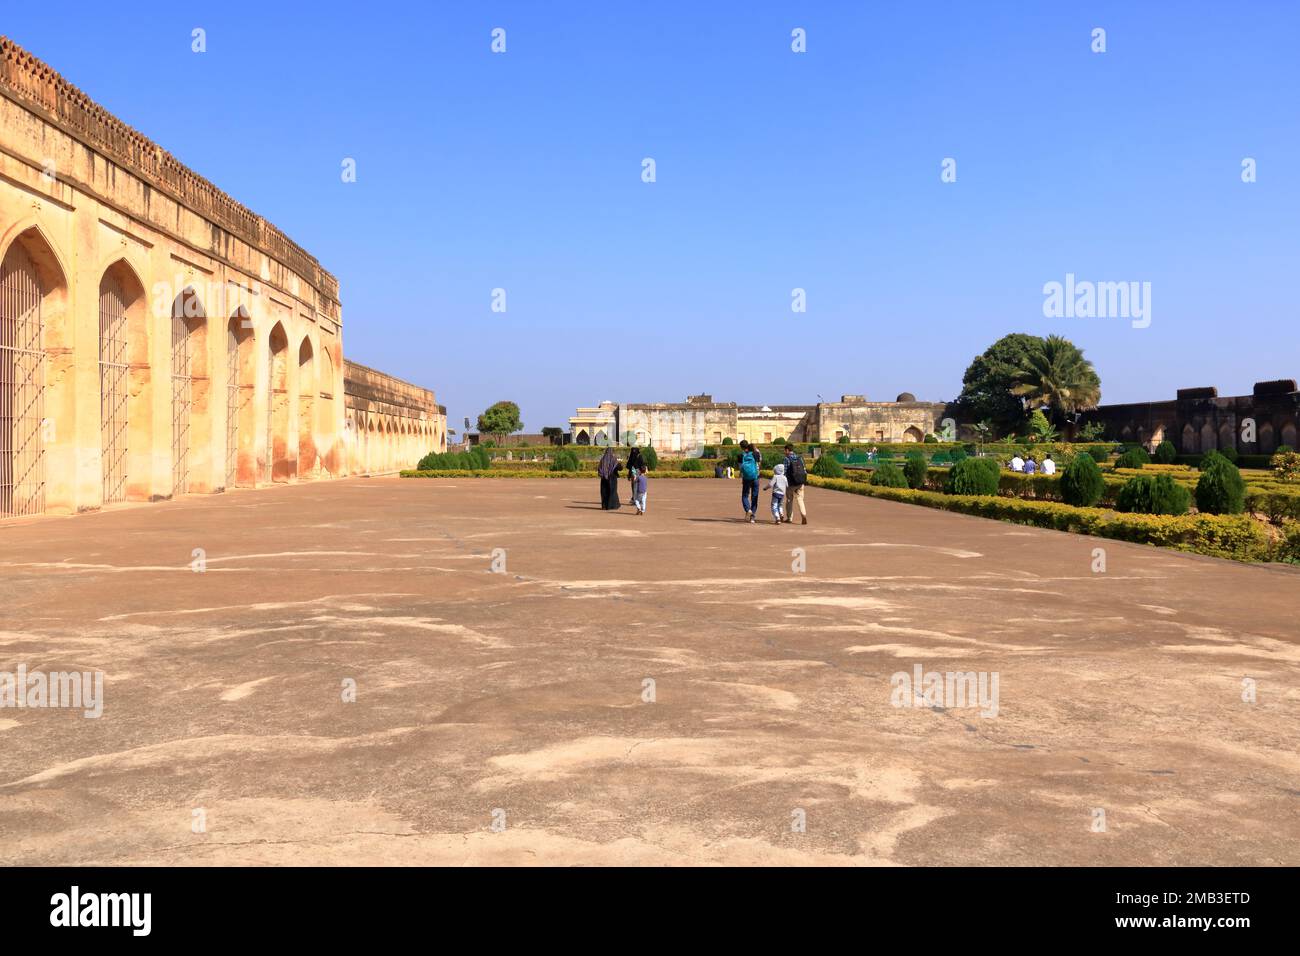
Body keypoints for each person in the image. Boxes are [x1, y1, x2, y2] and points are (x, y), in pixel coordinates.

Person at [783, 444, 808, 525]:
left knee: (789, 500)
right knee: (800, 499)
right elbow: (804, 470)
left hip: (791, 483)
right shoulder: (799, 458)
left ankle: (789, 518)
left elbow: (784, 471)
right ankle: (803, 515)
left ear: (787, 450)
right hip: (800, 482)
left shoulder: (787, 459)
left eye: (785, 450)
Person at [738, 440, 760, 522]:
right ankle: (752, 517)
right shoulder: (755, 454)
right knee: (754, 497)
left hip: (746, 478)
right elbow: (759, 462)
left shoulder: (740, 455)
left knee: (745, 496)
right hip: (755, 477)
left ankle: (748, 510)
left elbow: (740, 468)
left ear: (741, 447)